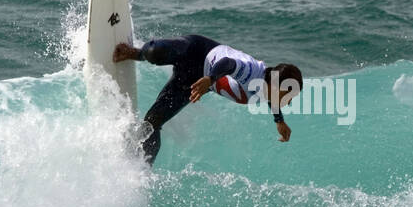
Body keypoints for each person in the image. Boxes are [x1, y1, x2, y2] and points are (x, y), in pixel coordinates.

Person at [113, 35, 302, 164]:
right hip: (197, 51)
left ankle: (140, 171)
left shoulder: (269, 88)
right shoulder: (253, 73)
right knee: (155, 51)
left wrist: (279, 121)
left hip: (193, 80)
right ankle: (136, 53)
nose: (289, 102)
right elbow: (229, 64)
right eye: (289, 96)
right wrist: (210, 80)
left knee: (153, 122)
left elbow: (273, 99)